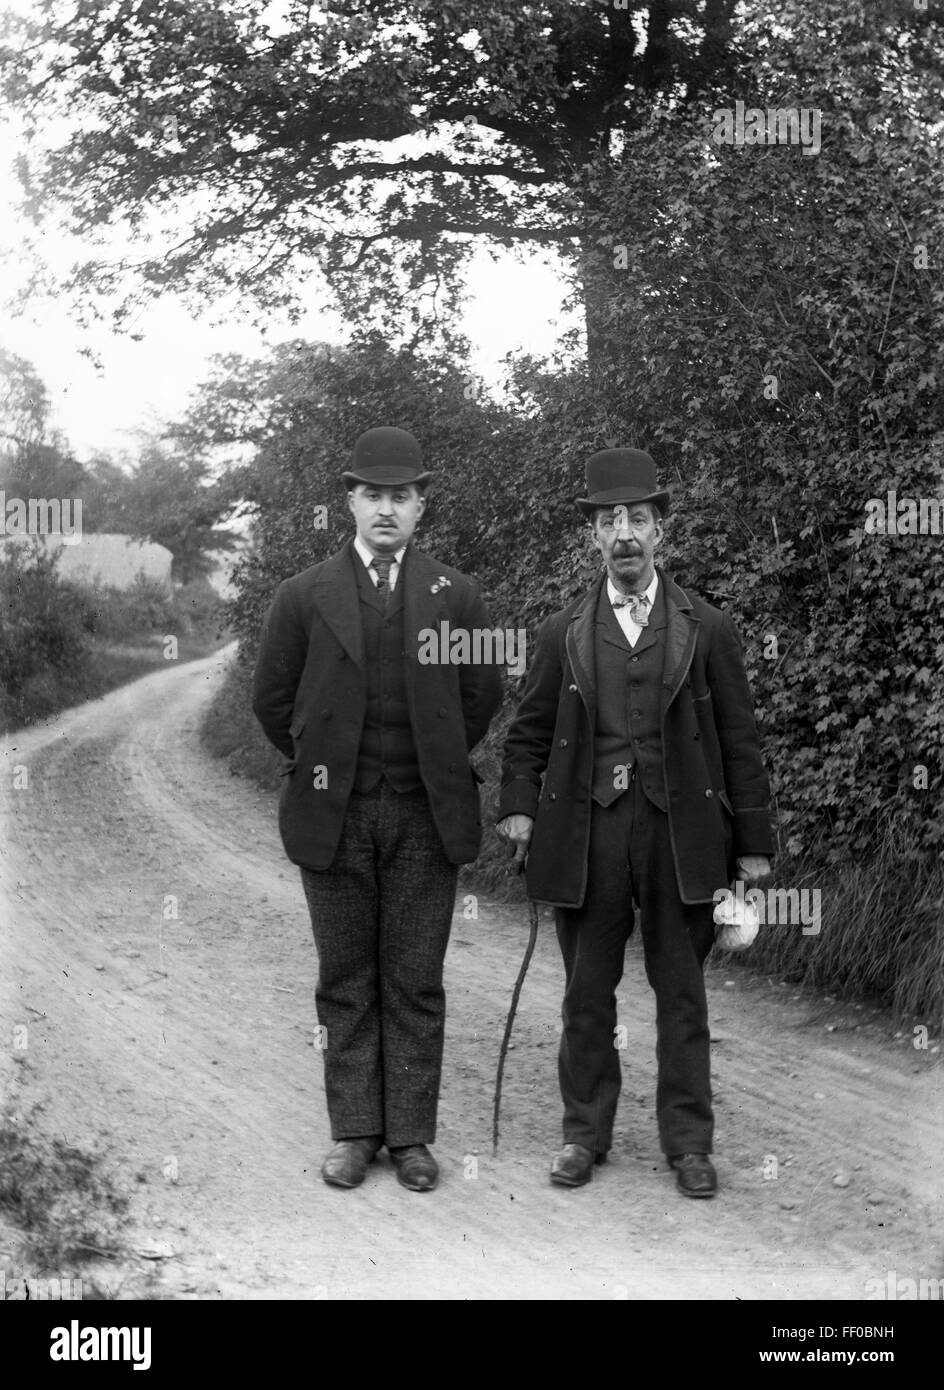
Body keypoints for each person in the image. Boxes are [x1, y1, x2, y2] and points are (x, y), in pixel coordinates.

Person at [496, 447, 772, 1197]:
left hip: (682, 835)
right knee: (588, 993)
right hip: (589, 833)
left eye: (639, 519)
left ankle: (689, 1145)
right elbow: (528, 732)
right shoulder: (563, 633)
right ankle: (584, 1136)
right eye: (610, 520)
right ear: (592, 536)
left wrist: (751, 845)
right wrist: (520, 806)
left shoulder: (707, 629)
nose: (625, 533)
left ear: (662, 533)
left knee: (682, 992)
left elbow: (740, 742)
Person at [253, 427, 502, 1192]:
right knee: (345, 976)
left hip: (426, 817)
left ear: (420, 506)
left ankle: (412, 1139)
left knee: (416, 978)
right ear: (350, 503)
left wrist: (432, 759)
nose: (386, 509)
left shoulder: (456, 597)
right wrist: (318, 760)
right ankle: (356, 1133)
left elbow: (481, 697)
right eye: (373, 495)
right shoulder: (303, 596)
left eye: (401, 496)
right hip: (334, 813)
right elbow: (272, 700)